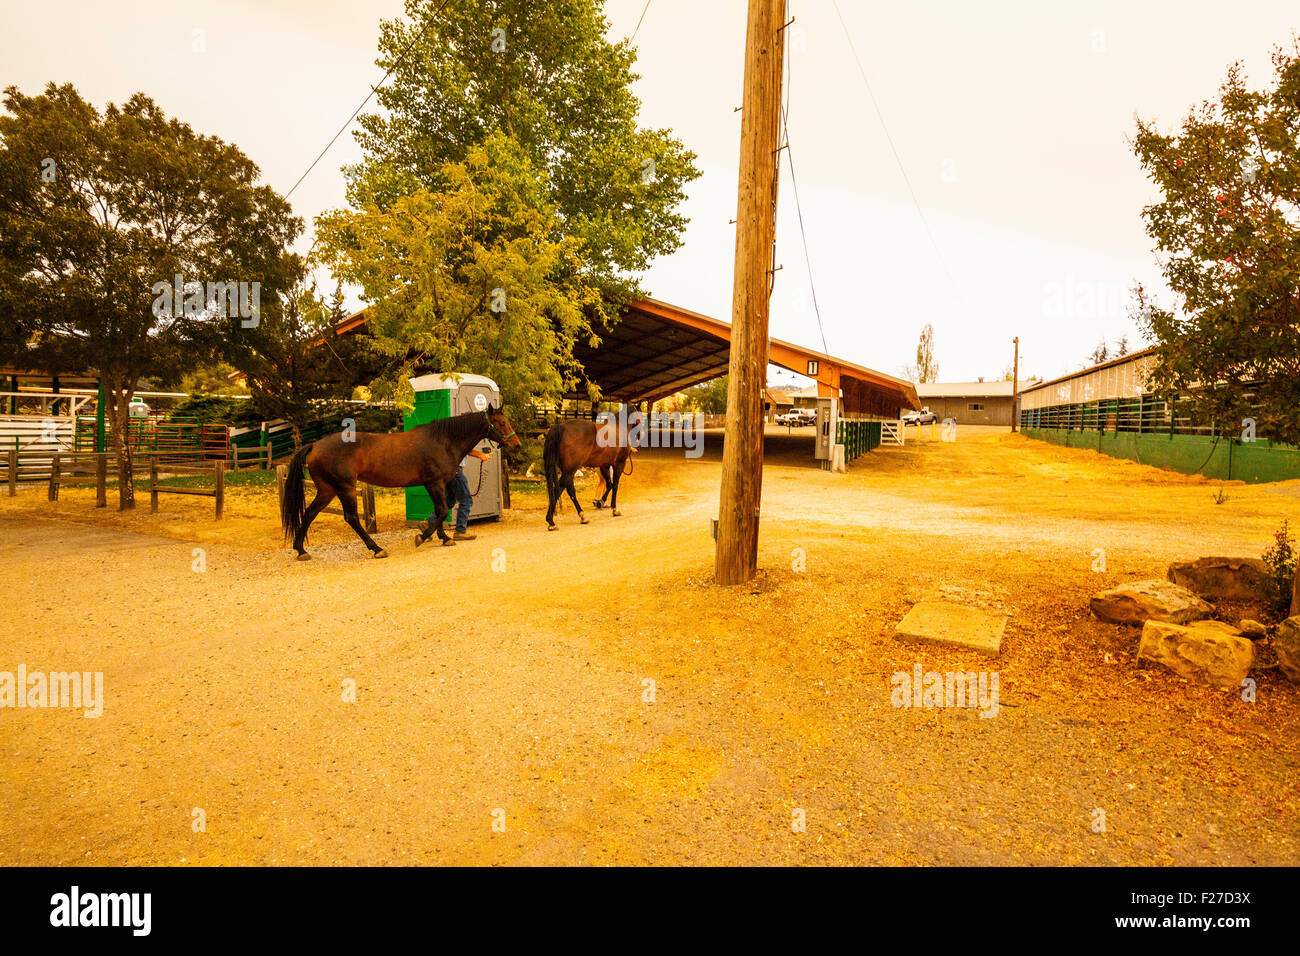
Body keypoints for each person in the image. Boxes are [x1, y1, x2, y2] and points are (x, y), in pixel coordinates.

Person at [445, 447, 492, 541]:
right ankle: (460, 531)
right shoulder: (459, 434)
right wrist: (480, 455)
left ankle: (429, 523)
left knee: (449, 501)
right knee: (466, 501)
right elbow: (465, 448)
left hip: (449, 469)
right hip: (456, 470)